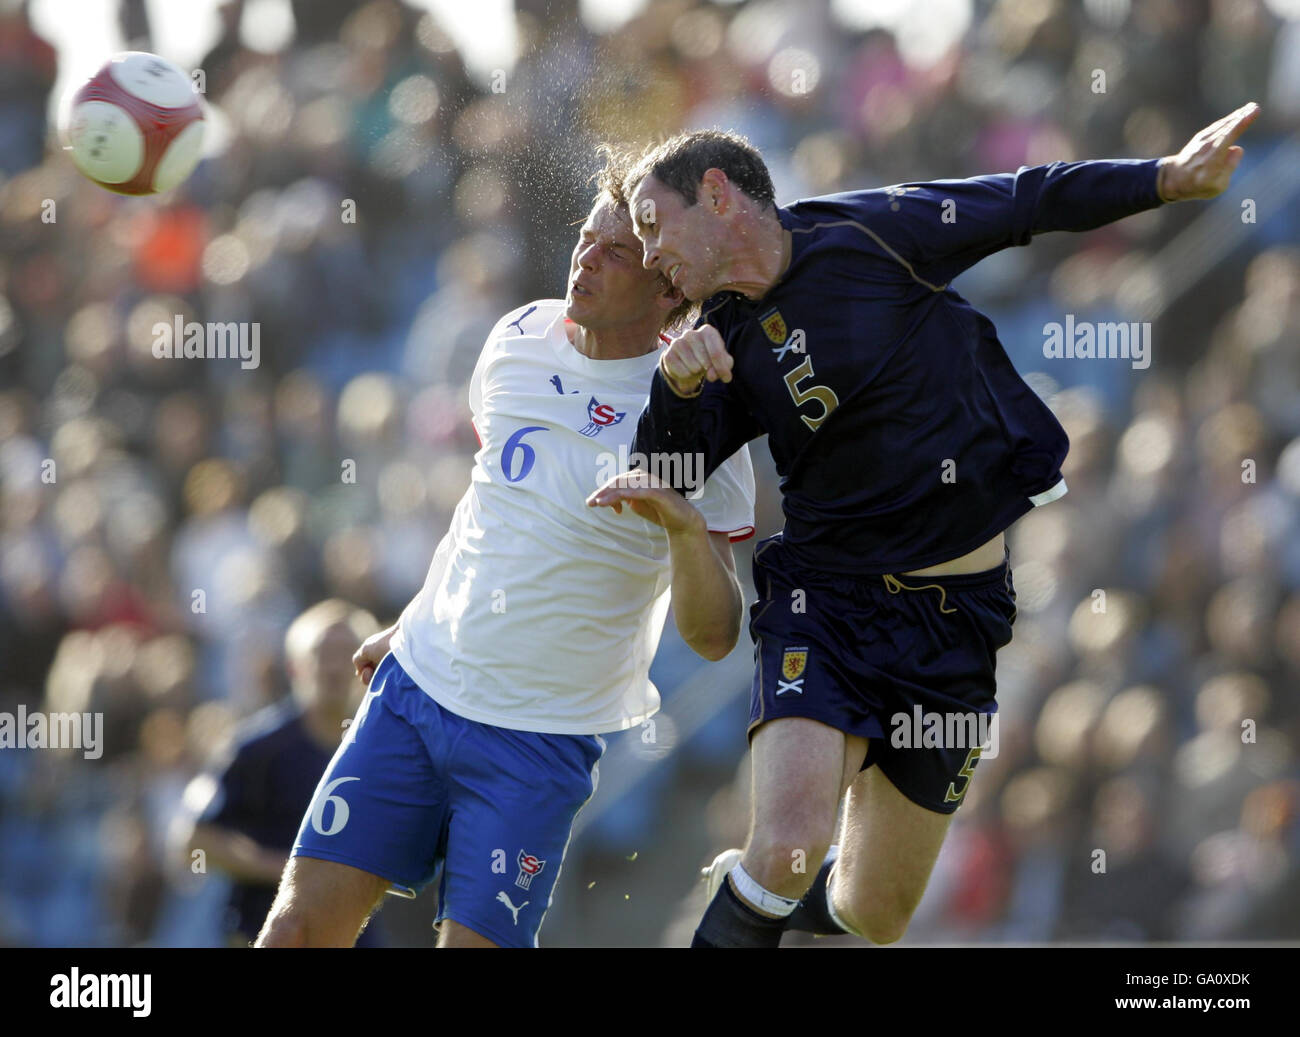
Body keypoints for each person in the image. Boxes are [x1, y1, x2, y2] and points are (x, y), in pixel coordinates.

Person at [611, 103, 1261, 948]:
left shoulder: (870, 231)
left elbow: (1027, 198)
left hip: (957, 620)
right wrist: (679, 389)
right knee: (791, 844)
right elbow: (662, 481)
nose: (651, 252)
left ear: (717, 191)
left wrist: (1167, 179)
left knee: (874, 915)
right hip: (826, 603)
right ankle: (762, 884)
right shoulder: (716, 343)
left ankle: (758, 891)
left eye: (655, 224)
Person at [255, 148, 756, 949]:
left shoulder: (699, 413)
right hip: (418, 691)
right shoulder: (516, 338)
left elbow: (714, 635)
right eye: (585, 238)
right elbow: (492, 507)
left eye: (615, 251)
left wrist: (686, 529)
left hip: (538, 742)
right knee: (296, 928)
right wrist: (417, 616)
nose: (585, 258)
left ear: (668, 281)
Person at [179, 599, 384, 946]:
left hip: (353, 933)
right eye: (323, 653)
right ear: (295, 668)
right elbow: (195, 842)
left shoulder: (384, 752)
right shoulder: (254, 749)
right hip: (265, 929)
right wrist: (289, 873)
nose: (335, 667)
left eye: (348, 653)